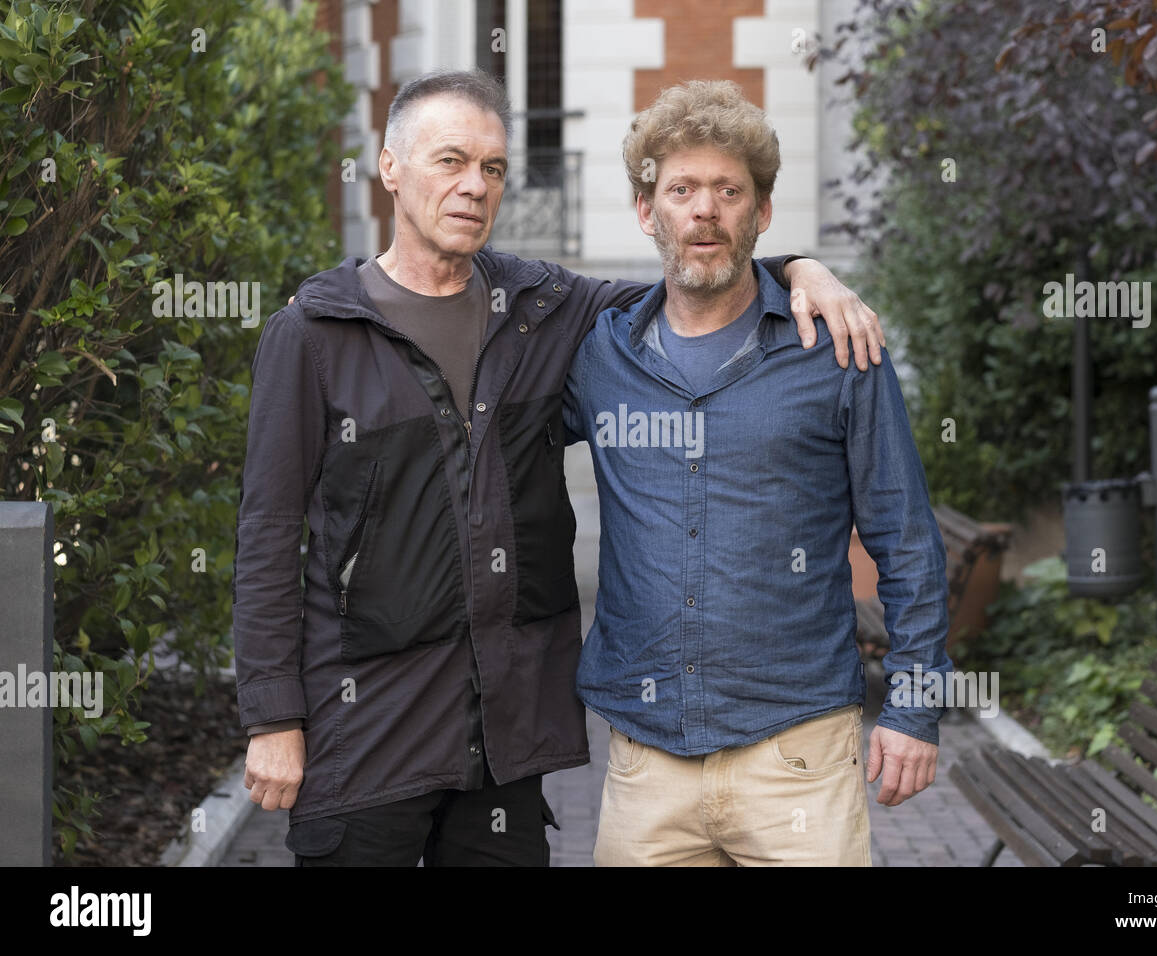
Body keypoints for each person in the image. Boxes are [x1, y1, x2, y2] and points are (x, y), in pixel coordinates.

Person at [233, 68, 888, 866]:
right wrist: (272, 718)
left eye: (495, 168)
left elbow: (695, 279)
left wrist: (797, 270)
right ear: (391, 167)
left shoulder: (543, 310)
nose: (476, 186)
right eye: (451, 161)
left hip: (502, 747)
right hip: (366, 732)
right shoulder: (315, 335)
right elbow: (267, 534)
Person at [563, 79, 952, 866]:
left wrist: (912, 707)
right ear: (648, 212)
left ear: (761, 212)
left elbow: (905, 539)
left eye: (728, 191)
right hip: (646, 766)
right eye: (682, 189)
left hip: (799, 757)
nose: (705, 210)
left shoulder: (838, 352)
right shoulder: (598, 358)